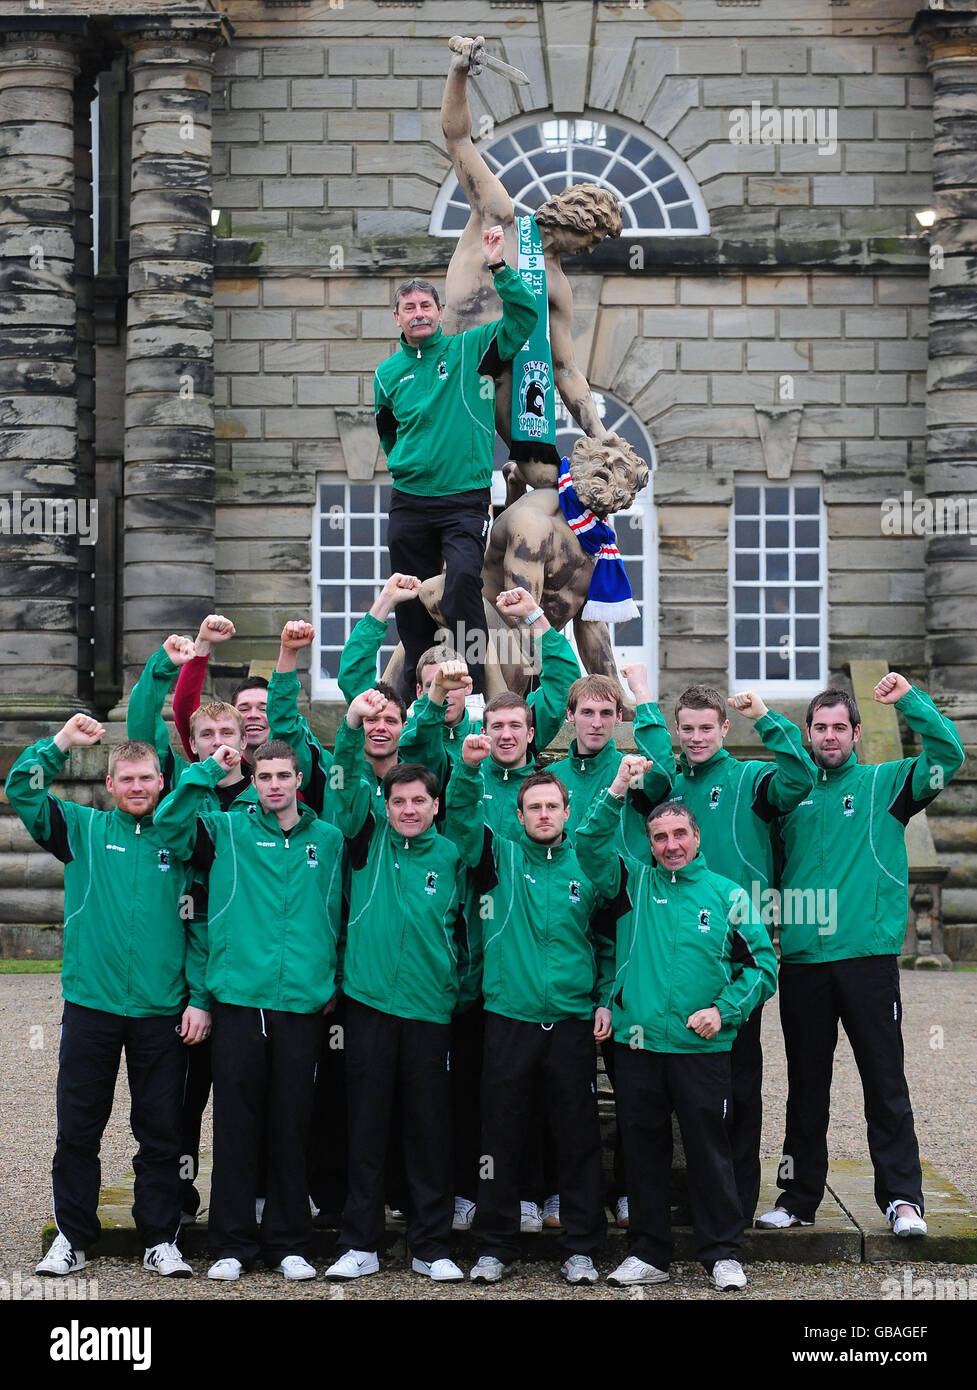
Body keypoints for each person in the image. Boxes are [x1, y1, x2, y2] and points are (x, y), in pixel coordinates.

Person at [756, 672, 965, 1239]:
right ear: (806, 734)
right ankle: (798, 1197)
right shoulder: (785, 792)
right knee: (804, 1085)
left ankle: (902, 1199)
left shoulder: (886, 784)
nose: (829, 736)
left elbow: (950, 754)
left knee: (884, 1080)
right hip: (801, 961)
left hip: (867, 959)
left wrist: (909, 703)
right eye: (819, 727)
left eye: (839, 728)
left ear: (855, 735)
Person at [6, 716, 210, 1280]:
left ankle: (160, 1237)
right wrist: (63, 743)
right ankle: (71, 1237)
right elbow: (21, 788)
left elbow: (200, 928)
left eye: (147, 777)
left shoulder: (183, 838)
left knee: (161, 1130)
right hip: (92, 1005)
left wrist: (199, 997)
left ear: (162, 783)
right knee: (78, 1127)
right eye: (127, 779)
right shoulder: (81, 828)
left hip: (160, 1009)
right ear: (111, 786)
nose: (138, 787)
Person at [575, 761, 777, 1291]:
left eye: (679, 834)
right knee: (641, 1151)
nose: (670, 845)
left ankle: (722, 1252)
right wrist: (617, 788)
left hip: (703, 1048)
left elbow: (762, 968)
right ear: (649, 842)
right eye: (660, 837)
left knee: (711, 1150)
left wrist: (723, 1010)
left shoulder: (728, 895)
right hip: (638, 1043)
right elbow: (589, 845)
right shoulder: (630, 883)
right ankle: (649, 1252)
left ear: (696, 836)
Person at [153, 738, 343, 1282]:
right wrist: (204, 772)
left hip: (302, 1004)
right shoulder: (225, 830)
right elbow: (168, 828)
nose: (275, 785)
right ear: (254, 782)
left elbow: (339, 912)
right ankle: (232, 1244)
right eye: (265, 777)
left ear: (299, 780)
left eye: (284, 776)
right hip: (239, 999)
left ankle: (289, 1243)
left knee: (292, 1124)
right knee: (236, 1126)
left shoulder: (327, 840)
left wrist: (330, 976)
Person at [643, 685, 816, 1227]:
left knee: (737, 1084)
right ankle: (691, 1196)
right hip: (674, 947)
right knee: (682, 1090)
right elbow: (643, 757)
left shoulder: (751, 778)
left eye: (705, 728)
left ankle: (735, 1203)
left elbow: (801, 777)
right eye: (686, 728)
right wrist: (643, 698)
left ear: (724, 728)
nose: (695, 738)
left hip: (736, 949)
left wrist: (766, 717)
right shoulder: (670, 782)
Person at [445, 744, 615, 1284]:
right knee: (500, 1138)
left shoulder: (589, 864)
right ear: (518, 816)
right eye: (533, 808)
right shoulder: (499, 859)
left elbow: (611, 942)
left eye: (552, 807)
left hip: (568, 1021)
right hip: (509, 1018)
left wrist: (604, 999)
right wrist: (469, 769)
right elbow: (463, 817)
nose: (543, 815)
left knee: (577, 1137)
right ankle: (494, 1246)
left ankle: (582, 1248)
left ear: (567, 813)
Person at [324, 688, 471, 1283]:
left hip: (431, 1010)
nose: (408, 808)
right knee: (366, 1125)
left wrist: (456, 990)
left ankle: (430, 1245)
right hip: (369, 1005)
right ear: (384, 805)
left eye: (419, 800)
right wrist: (352, 726)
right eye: (399, 800)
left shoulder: (455, 855)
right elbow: (343, 779)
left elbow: (470, 936)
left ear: (436, 805)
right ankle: (360, 1241)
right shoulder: (364, 841)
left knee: (430, 1130)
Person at [373, 224, 539, 698]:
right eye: (410, 308)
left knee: (462, 580)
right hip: (410, 501)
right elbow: (388, 430)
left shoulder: (470, 348)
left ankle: (470, 682)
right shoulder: (387, 374)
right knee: (408, 593)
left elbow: (524, 318)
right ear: (398, 318)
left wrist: (499, 266)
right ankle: (418, 687)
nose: (419, 314)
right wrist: (409, 464)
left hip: (462, 498)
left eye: (427, 306)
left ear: (440, 313)